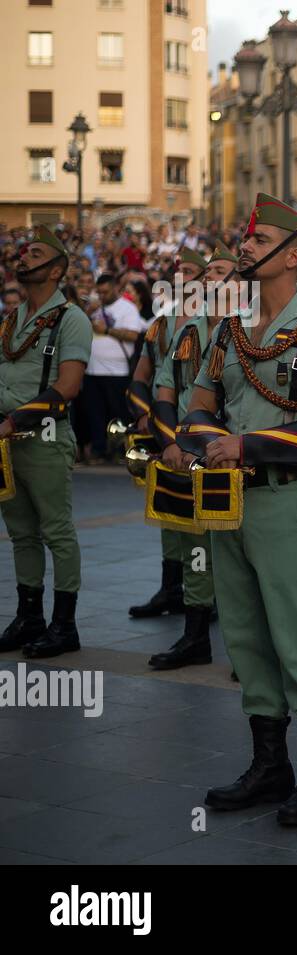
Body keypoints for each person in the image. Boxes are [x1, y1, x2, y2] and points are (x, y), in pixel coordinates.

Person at [178, 193, 297, 827]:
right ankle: (268, 764)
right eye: (247, 241)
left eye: (257, 243)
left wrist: (245, 443)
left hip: (286, 496)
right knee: (247, 637)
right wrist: (196, 441)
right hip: (229, 499)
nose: (245, 250)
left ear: (294, 254)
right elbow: (198, 402)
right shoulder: (230, 327)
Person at [0, 226, 92, 657]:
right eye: (22, 252)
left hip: (43, 436)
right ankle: (29, 616)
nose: (22, 258)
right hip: (5, 440)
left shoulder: (71, 318)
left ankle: (64, 624)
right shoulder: (11, 319)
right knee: (21, 533)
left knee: (56, 530)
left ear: (56, 269)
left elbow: (68, 387)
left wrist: (14, 418)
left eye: (34, 253)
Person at [146, 242, 239, 669]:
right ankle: (195, 636)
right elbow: (166, 391)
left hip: (232, 454)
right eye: (207, 272)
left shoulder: (250, 329)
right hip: (185, 452)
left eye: (220, 270)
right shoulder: (189, 330)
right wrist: (170, 443)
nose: (208, 277)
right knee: (194, 549)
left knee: (241, 554)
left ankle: (249, 652)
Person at [126, 248, 207, 617]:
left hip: (197, 429)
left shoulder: (215, 320)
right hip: (163, 422)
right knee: (167, 513)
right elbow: (142, 378)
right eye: (178, 270)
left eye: (190, 270)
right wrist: (148, 416)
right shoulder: (162, 322)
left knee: (199, 522)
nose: (182, 276)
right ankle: (170, 587)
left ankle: (202, 594)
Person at [78, 271, 144, 463]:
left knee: (118, 413)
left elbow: (133, 335)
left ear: (116, 288)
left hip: (117, 372)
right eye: (99, 292)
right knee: (95, 413)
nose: (102, 296)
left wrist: (106, 330)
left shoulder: (127, 308)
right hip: (92, 370)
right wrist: (88, 313)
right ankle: (99, 450)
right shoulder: (94, 308)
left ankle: (118, 450)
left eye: (106, 292)